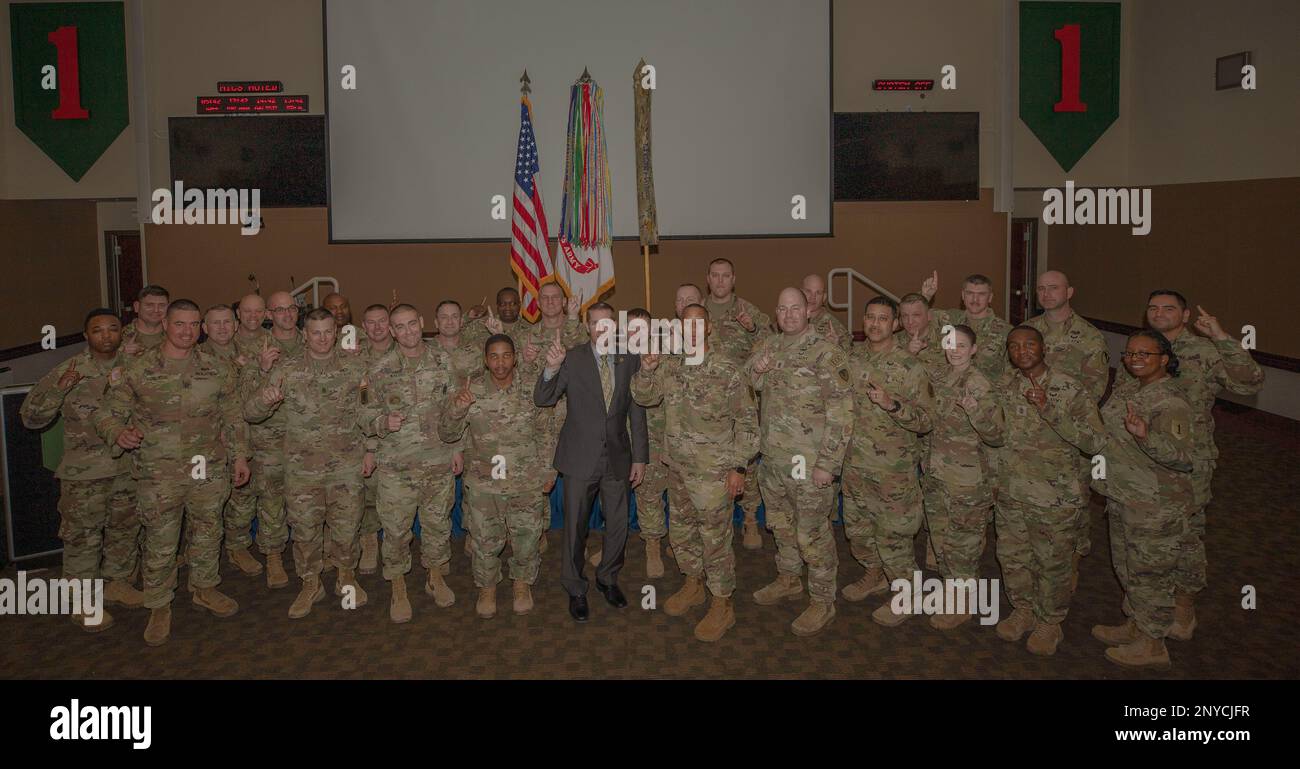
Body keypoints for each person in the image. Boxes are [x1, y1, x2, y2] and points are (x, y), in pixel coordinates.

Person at [95, 299, 251, 646]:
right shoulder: (137, 369)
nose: (187, 331)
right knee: (161, 541)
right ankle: (159, 604)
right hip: (159, 471)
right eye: (180, 324)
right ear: (165, 324)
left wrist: (241, 458)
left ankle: (204, 588)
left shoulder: (217, 368)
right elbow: (106, 412)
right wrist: (117, 432)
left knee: (208, 531)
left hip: (207, 468)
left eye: (194, 325)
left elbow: (234, 417)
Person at [1131, 291, 1264, 638]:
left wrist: (1221, 336)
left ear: (1186, 315)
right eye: (1153, 308)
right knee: (1144, 537)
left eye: (1169, 308)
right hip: (1142, 458)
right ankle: (1142, 613)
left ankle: (1183, 609)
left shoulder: (1204, 351)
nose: (1159, 314)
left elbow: (1250, 382)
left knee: (1186, 537)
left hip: (1189, 461)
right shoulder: (1139, 349)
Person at [631, 304, 758, 641]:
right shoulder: (670, 366)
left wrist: (738, 467)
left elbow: (747, 422)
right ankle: (693, 584)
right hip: (677, 468)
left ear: (709, 328)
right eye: (685, 324)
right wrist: (645, 370)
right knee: (683, 534)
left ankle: (722, 603)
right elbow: (643, 398)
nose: (692, 330)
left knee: (715, 541)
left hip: (714, 472)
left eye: (698, 324)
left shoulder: (728, 369)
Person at [20, 309, 144, 631]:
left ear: (122, 333)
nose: (106, 336)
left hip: (127, 468)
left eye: (113, 329)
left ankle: (117, 583)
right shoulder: (69, 369)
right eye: (98, 330)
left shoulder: (133, 366)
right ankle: (82, 603)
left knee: (124, 531)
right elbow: (31, 418)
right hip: (84, 472)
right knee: (83, 538)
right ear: (86, 335)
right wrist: (60, 388)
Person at [245, 309, 372, 619]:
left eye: (329, 331)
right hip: (303, 469)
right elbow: (251, 412)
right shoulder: (285, 370)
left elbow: (369, 409)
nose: (323, 338)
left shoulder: (355, 368)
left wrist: (370, 449)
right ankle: (310, 582)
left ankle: (346, 576)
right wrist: (267, 400)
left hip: (345, 465)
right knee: (304, 530)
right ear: (305, 335)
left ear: (337, 332)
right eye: (316, 332)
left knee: (346, 526)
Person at [746, 287, 853, 636]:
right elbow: (752, 382)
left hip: (808, 462)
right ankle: (789, 578)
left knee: (812, 533)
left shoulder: (826, 352)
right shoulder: (770, 345)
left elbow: (842, 412)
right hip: (774, 458)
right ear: (775, 312)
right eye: (782, 308)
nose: (789, 314)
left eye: (796, 308)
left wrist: (829, 464)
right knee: (780, 524)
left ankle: (823, 600)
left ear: (808, 310)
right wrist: (757, 370)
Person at [993, 326, 1105, 656]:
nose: (1022, 351)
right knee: (1012, 558)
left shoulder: (1069, 389)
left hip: (1054, 497)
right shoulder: (1004, 386)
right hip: (1012, 492)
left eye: (1029, 344)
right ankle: (1024, 609)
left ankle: (1049, 622)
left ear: (1044, 348)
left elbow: (1096, 441)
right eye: (1014, 346)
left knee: (1052, 563)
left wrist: (1050, 410)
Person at [534, 302, 649, 623]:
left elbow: (636, 411)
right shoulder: (571, 358)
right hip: (579, 458)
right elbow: (543, 398)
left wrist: (640, 457)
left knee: (618, 525)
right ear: (587, 327)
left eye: (607, 323)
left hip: (618, 457)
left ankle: (608, 578)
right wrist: (551, 369)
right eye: (595, 323)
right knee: (575, 529)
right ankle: (575, 587)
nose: (601, 328)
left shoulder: (629, 359)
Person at [1091, 330, 1196, 668]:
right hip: (1123, 496)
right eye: (1130, 354)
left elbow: (1182, 456)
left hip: (1154, 505)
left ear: (1164, 359)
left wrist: (1147, 436)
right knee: (1127, 568)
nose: (1135, 359)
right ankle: (1137, 625)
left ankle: (1153, 645)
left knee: (1150, 575)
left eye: (1144, 354)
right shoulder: (1128, 390)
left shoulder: (1172, 402)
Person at [364, 304, 463, 622]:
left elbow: (454, 406)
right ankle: (398, 587)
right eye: (399, 327)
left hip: (437, 460)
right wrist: (381, 422)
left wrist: (458, 447)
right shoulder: (379, 370)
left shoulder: (443, 360)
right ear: (392, 331)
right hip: (397, 466)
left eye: (411, 324)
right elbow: (362, 412)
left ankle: (435, 577)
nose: (407, 331)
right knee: (395, 531)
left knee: (436, 525)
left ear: (421, 323)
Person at [439, 334, 549, 618]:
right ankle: (487, 588)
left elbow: (546, 432)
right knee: (485, 541)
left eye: (506, 356)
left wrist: (549, 469)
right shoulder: (470, 390)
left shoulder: (530, 389)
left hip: (525, 481)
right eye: (494, 357)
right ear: (485, 361)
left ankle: (522, 584)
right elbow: (447, 433)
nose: (500, 363)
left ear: (514, 357)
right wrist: (456, 410)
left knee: (526, 538)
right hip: (484, 483)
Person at [841, 296, 935, 627]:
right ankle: (875, 574)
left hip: (892, 471)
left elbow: (926, 420)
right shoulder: (852, 361)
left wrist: (892, 404)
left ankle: (907, 594)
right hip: (855, 466)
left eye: (883, 318)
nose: (875, 324)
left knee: (894, 536)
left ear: (895, 324)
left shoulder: (911, 367)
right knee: (858, 532)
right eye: (870, 317)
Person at [1023, 270, 1109, 581]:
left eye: (1054, 288)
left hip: (1068, 433)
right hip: (1030, 432)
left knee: (1073, 500)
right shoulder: (1028, 330)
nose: (1046, 294)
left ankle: (1071, 560)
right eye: (1041, 289)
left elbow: (1094, 389)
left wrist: (1055, 410)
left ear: (1069, 292)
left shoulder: (1089, 337)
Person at [920, 324, 1004, 629]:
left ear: (974, 349)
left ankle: (963, 603)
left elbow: (997, 435)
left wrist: (976, 412)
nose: (954, 350)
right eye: (950, 344)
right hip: (937, 474)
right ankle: (951, 590)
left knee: (963, 545)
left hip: (967, 481)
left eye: (961, 345)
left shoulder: (979, 384)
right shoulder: (941, 378)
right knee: (941, 539)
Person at [235, 290, 301, 590]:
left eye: (291, 308)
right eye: (279, 310)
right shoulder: (255, 348)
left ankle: (309, 551)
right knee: (272, 500)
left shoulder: (312, 339)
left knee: (306, 497)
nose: (286, 314)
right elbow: (245, 400)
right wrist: (261, 368)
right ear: (269, 315)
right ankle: (273, 556)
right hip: (269, 437)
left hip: (306, 436)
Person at [705, 258, 771, 550]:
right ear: (708, 279)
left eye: (725, 276)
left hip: (741, 401)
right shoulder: (698, 310)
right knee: (712, 464)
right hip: (707, 405)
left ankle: (750, 521)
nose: (720, 281)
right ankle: (710, 526)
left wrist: (754, 328)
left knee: (746, 462)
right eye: (715, 276)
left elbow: (773, 342)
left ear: (733, 279)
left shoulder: (748, 310)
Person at [353, 303, 396, 574]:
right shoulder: (355, 358)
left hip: (399, 438)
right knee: (368, 493)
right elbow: (362, 400)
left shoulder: (404, 351)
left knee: (394, 499)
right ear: (363, 326)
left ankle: (396, 546)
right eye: (371, 322)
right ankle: (370, 541)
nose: (377, 327)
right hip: (365, 435)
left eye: (382, 321)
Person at [919, 271, 1013, 383]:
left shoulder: (1006, 331)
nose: (975, 299)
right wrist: (925, 296)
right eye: (970, 293)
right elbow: (913, 316)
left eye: (981, 294)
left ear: (990, 297)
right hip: (946, 390)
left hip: (984, 394)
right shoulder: (947, 319)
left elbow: (1012, 371)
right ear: (963, 295)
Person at [802, 273, 850, 350]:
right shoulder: (788, 321)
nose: (812, 297)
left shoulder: (834, 328)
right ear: (800, 293)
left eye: (818, 293)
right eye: (808, 291)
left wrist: (836, 348)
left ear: (824, 297)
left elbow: (850, 357)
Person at [121, 285, 169, 355]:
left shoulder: (177, 336)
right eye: (149, 305)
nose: (156, 310)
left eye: (162, 305)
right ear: (136, 306)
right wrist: (123, 355)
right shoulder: (119, 337)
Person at [233, 293, 269, 359]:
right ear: (238, 313)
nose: (253, 315)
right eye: (247, 311)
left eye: (258, 311)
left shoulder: (274, 340)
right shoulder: (226, 341)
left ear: (265, 314)